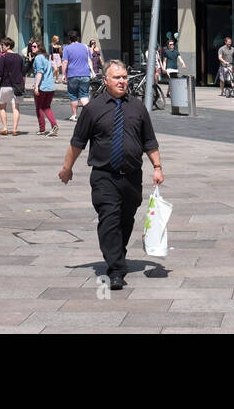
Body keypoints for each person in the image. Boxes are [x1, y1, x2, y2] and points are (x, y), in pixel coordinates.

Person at [58, 59, 163, 291]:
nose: (122, 81)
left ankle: (117, 253)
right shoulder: (93, 109)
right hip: (104, 175)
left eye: (124, 77)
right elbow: (77, 142)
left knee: (126, 219)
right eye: (117, 77)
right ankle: (116, 269)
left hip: (132, 177)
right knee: (109, 218)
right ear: (105, 80)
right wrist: (67, 167)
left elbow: (149, 141)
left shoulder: (137, 107)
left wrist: (157, 167)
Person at [0, 37, 27, 135]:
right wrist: (23, 85)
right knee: (16, 108)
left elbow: (0, 73)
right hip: (17, 85)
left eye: (2, 45)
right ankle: (14, 130)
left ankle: (5, 128)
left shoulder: (4, 57)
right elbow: (23, 73)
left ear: (8, 46)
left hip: (5, 85)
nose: (1, 47)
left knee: (2, 107)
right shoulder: (19, 57)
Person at [62, 30, 94, 122]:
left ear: (69, 39)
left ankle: (74, 115)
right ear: (78, 38)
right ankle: (88, 115)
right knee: (84, 95)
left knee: (73, 95)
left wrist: (64, 74)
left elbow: (65, 62)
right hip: (85, 74)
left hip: (72, 74)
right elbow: (90, 60)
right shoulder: (85, 47)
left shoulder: (67, 48)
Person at [33, 41, 59, 137]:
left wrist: (36, 86)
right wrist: (50, 77)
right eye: (32, 46)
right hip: (50, 86)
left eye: (35, 46)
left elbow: (40, 73)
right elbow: (55, 68)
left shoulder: (38, 58)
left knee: (39, 108)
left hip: (42, 87)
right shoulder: (47, 57)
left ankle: (42, 129)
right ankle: (54, 125)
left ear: (39, 48)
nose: (32, 48)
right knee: (46, 107)